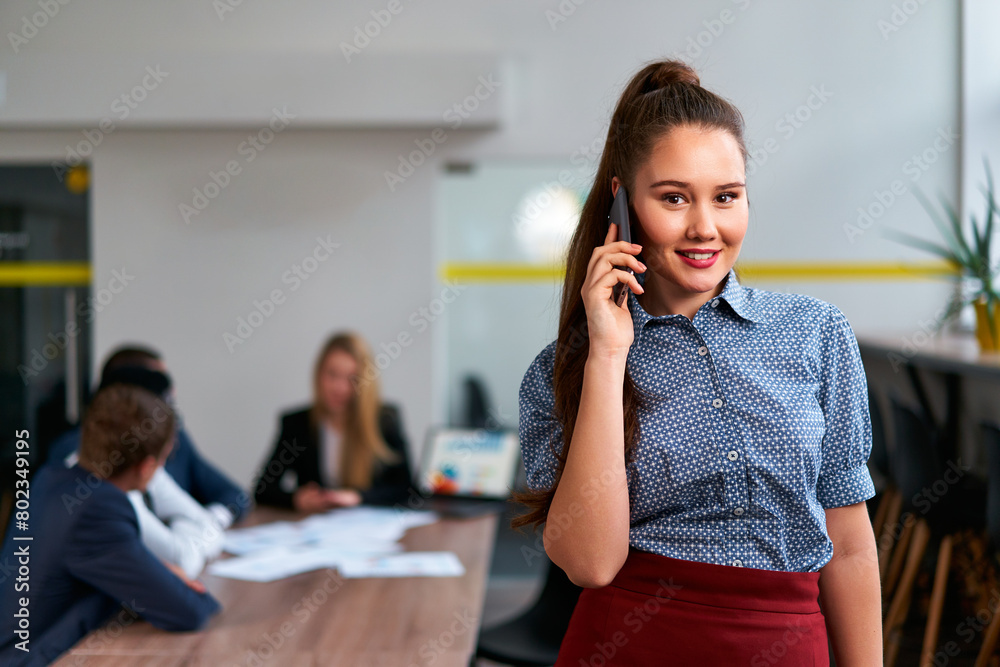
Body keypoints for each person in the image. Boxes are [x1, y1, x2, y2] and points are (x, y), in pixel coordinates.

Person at [514, 60, 880, 665]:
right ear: (622, 203)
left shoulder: (816, 333)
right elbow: (588, 563)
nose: (704, 228)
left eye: (726, 197)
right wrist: (607, 353)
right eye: (674, 198)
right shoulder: (566, 367)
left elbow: (848, 545)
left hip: (789, 643)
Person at [0, 384, 221, 666]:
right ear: (146, 467)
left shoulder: (51, 478)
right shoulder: (98, 508)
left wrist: (152, 570)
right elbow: (189, 611)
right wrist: (168, 579)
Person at [47, 345, 250, 526]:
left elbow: (235, 496)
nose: (169, 395)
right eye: (158, 387)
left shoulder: (176, 438)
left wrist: (210, 522)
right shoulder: (80, 449)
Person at [254, 331, 412, 511]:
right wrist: (297, 499)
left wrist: (358, 497)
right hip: (314, 528)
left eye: (352, 379)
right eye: (332, 375)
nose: (339, 388)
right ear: (318, 374)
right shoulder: (297, 424)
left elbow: (406, 490)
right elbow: (263, 488)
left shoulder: (385, 420)